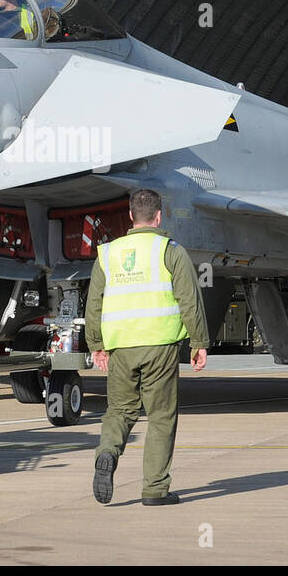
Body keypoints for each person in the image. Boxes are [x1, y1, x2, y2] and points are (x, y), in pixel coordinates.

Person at [86, 188, 208, 506]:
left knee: (120, 411)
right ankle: (154, 489)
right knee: (161, 416)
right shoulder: (170, 250)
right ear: (159, 215)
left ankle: (108, 452)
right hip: (160, 345)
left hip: (121, 347)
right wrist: (199, 343)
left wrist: (96, 345)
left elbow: (93, 304)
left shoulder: (107, 254)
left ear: (130, 216)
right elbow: (190, 301)